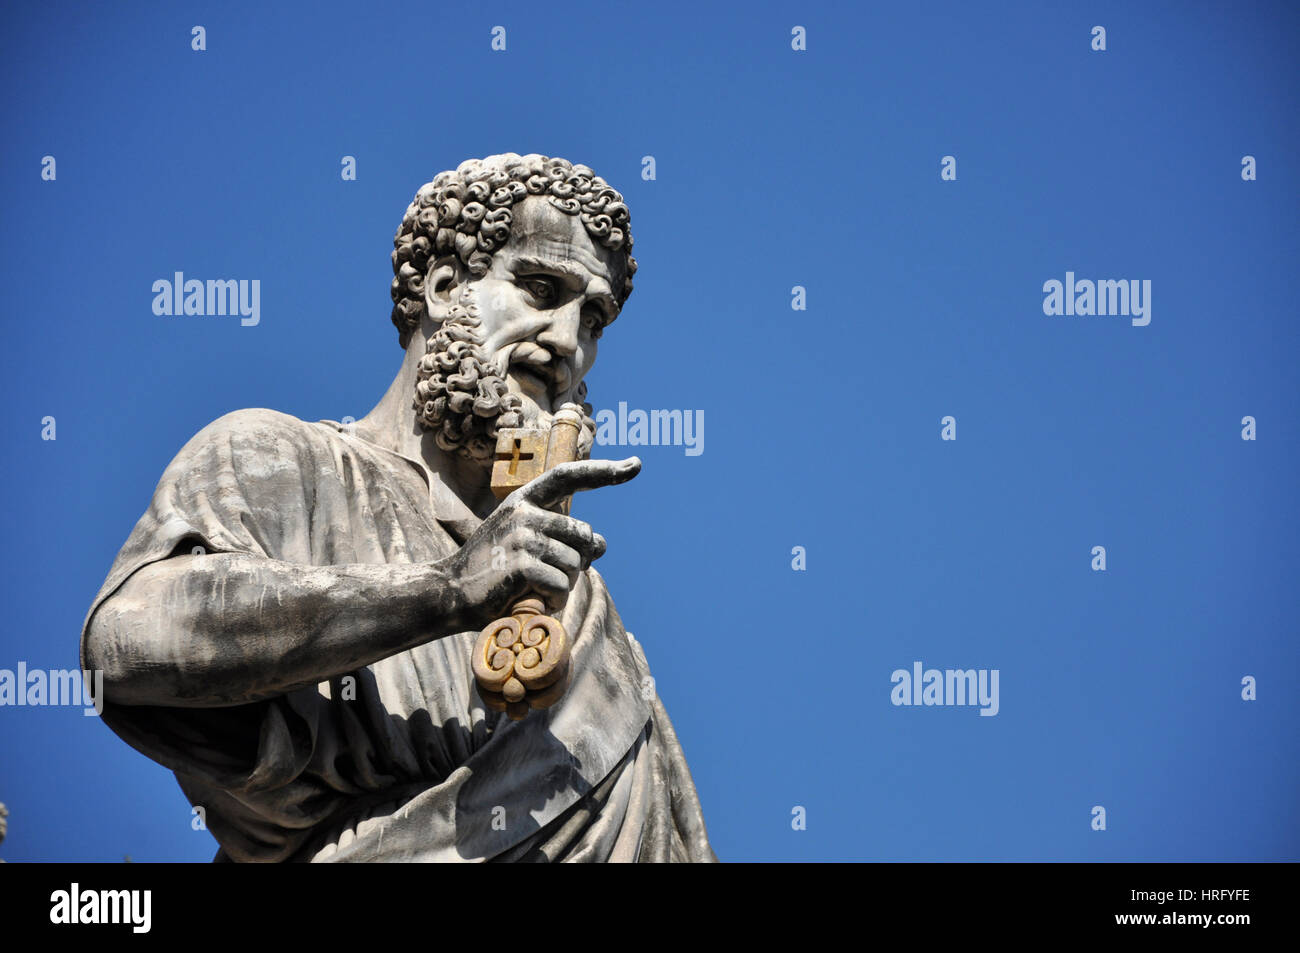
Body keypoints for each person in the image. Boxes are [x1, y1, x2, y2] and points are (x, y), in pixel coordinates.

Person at [81, 154, 716, 862]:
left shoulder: (588, 617)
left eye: (592, 319)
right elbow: (124, 645)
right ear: (444, 287)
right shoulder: (284, 461)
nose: (568, 342)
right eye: (541, 289)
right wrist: (446, 591)